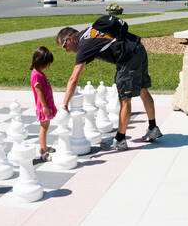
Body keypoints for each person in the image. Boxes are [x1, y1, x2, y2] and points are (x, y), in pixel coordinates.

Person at [55, 18, 162, 152]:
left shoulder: (84, 44)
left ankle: (120, 140)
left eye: (64, 45)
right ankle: (153, 128)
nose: (66, 50)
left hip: (127, 57)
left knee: (125, 100)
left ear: (70, 38)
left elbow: (73, 79)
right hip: (138, 48)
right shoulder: (89, 32)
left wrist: (65, 104)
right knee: (143, 90)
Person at [30, 46, 58, 160]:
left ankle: (44, 146)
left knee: (46, 127)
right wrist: (45, 106)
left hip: (47, 104)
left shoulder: (39, 72)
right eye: (47, 64)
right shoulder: (36, 75)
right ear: (40, 62)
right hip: (43, 106)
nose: (48, 66)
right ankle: (43, 151)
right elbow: (39, 91)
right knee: (44, 128)